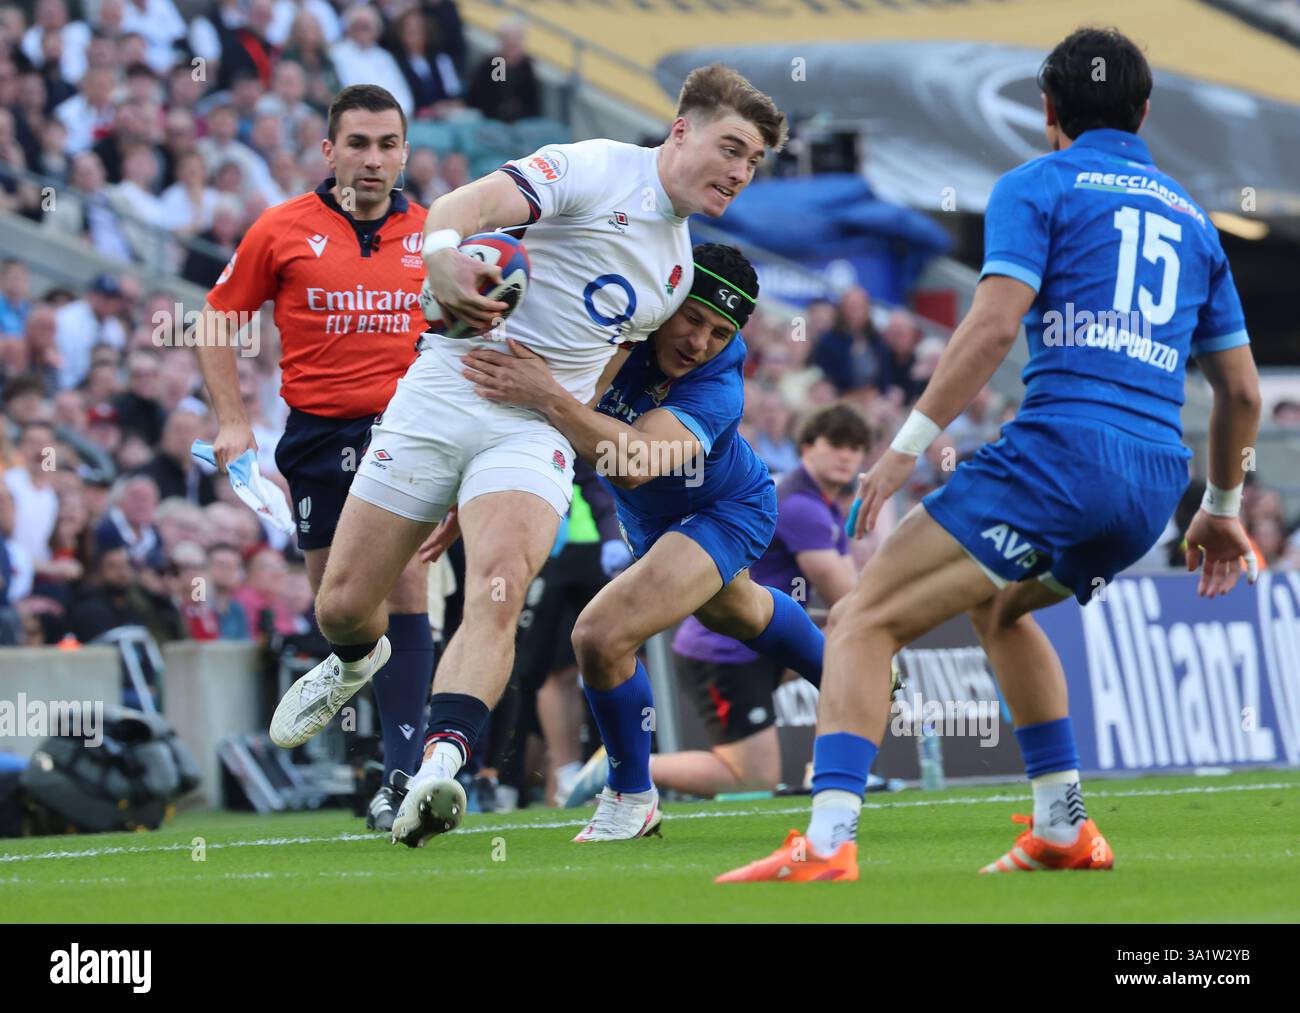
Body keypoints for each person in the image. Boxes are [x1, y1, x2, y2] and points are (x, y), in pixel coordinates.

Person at [718, 26, 1261, 883]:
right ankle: (1063, 825)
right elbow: (1241, 394)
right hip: (1154, 482)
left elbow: (995, 323)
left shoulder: (1035, 184)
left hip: (1060, 455)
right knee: (1002, 609)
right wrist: (1222, 510)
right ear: (1145, 112)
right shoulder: (1197, 221)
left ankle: (824, 842)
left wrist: (904, 447)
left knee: (863, 619)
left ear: (1046, 111)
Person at [267, 64, 786, 849]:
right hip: (445, 386)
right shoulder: (593, 167)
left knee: (497, 591)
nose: (740, 172)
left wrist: (555, 423)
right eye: (732, 148)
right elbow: (461, 206)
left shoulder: (678, 268)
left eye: (753, 163)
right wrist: (442, 258)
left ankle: (441, 765)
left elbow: (600, 379)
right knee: (341, 604)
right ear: (681, 130)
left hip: (531, 432)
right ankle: (352, 656)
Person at [456, 244, 828, 841]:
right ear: (668, 298)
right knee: (739, 609)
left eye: (720, 331)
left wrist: (548, 395)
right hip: (649, 522)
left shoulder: (718, 380)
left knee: (600, 633)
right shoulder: (612, 324)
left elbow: (634, 461)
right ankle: (844, 670)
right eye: (693, 319)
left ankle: (632, 797)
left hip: (727, 508)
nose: (700, 342)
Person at [194, 84, 434, 833]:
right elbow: (217, 315)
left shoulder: (437, 231)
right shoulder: (281, 229)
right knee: (341, 610)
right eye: (357, 143)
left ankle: (404, 777)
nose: (373, 158)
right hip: (315, 436)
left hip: (405, 431)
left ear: (404, 152)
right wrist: (233, 420)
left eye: (387, 144)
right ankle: (351, 660)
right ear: (328, 150)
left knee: (407, 586)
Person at [658, 403, 869, 799]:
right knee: (752, 781)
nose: (847, 455)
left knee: (852, 661)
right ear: (806, 446)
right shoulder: (801, 506)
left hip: (755, 639)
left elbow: (852, 598)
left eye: (856, 447)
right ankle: (626, 764)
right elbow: (848, 596)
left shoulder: (822, 503)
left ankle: (832, 770)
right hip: (725, 649)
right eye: (837, 443)